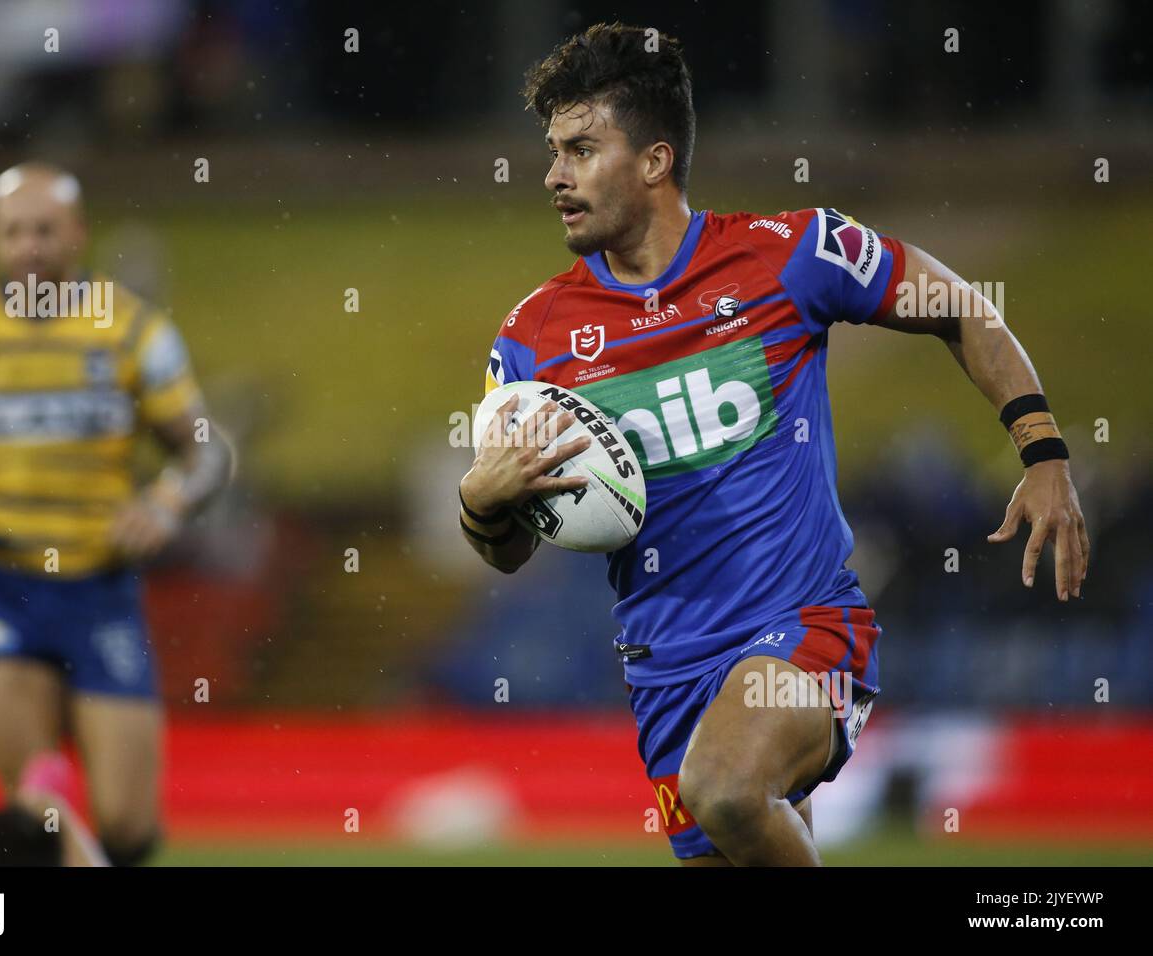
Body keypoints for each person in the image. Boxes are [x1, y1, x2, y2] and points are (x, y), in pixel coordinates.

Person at [458, 22, 1089, 866]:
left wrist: (1042, 452)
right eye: (552, 152)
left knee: (727, 788)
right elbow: (502, 551)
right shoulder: (533, 340)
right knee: (741, 817)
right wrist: (480, 504)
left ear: (653, 161)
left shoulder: (787, 257)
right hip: (665, 674)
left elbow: (963, 308)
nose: (553, 177)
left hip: (802, 629)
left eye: (579, 149)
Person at [0, 162, 233, 866]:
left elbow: (207, 451)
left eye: (44, 230)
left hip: (100, 591)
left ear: (76, 235)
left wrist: (166, 502)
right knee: (39, 815)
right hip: (0, 588)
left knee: (127, 827)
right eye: (13, 232)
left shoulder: (131, 331)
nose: (29, 247)